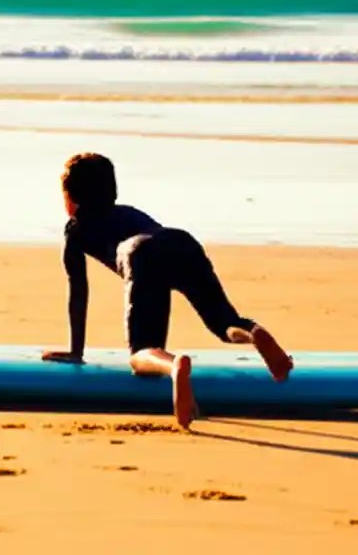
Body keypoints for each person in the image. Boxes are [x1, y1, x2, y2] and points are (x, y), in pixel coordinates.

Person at [41, 152, 293, 428]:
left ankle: (174, 366)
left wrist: (75, 350)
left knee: (142, 354)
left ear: (70, 199)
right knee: (225, 324)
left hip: (141, 255)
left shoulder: (75, 229)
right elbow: (158, 241)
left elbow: (79, 291)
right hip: (180, 241)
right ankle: (254, 333)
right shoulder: (128, 211)